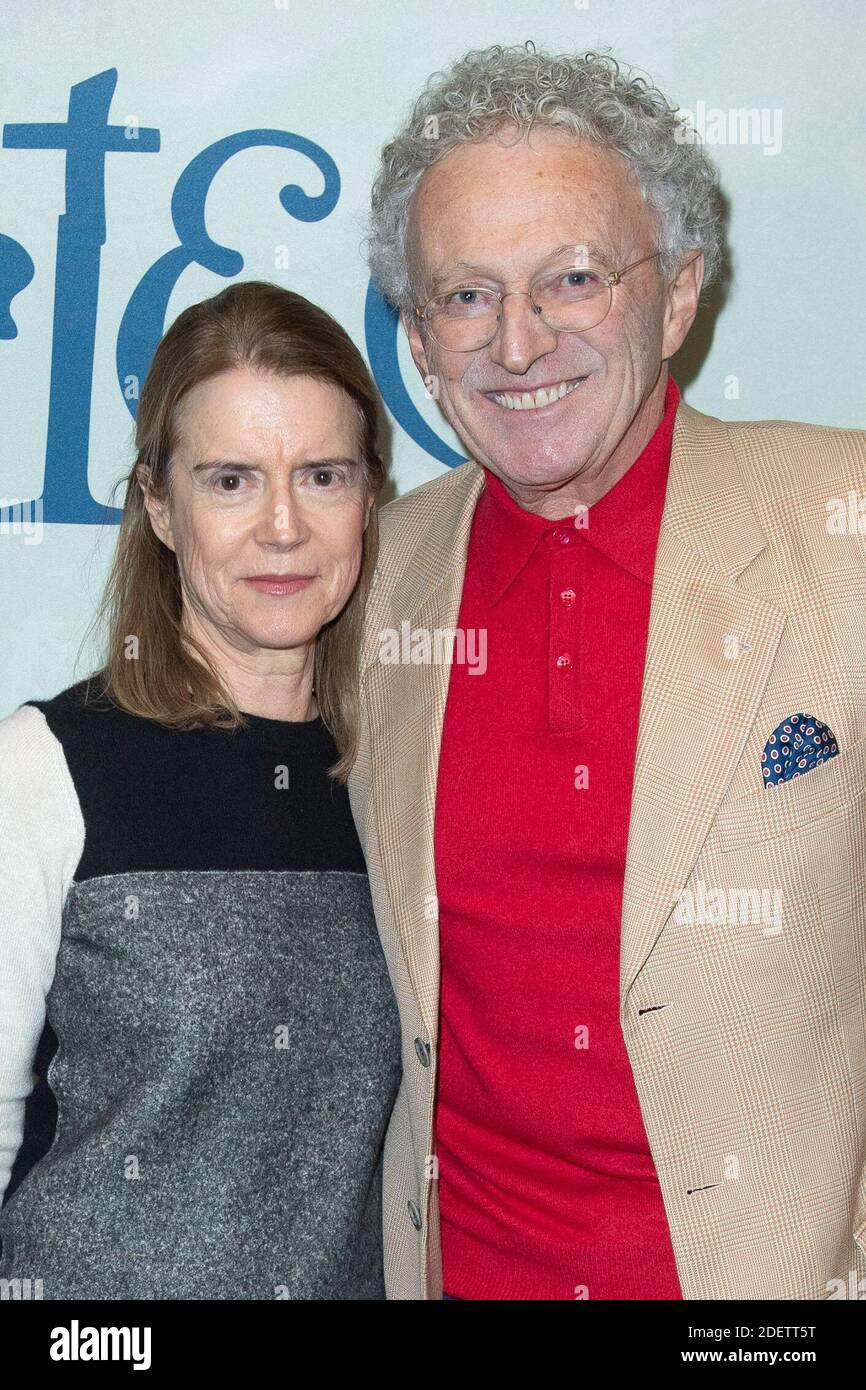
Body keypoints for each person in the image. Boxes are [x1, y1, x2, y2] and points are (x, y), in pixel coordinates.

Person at [352, 42, 866, 1300]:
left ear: (678, 292)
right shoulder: (367, 580)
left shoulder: (842, 525)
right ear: (417, 337)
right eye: (463, 297)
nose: (516, 343)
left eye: (571, 279)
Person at [0, 279, 402, 1299]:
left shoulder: (408, 778)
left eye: (321, 475)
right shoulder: (50, 767)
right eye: (230, 479)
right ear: (159, 505)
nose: (281, 527)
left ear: (369, 498)